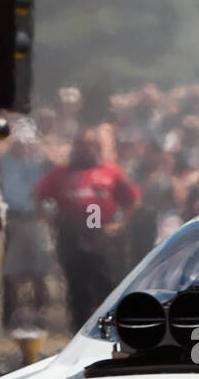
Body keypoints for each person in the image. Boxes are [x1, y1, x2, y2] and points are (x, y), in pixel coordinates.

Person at [34, 128, 141, 331]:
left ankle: (109, 329)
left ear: (96, 148)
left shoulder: (109, 171)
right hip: (72, 235)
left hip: (101, 234)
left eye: (89, 145)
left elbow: (132, 199)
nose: (84, 149)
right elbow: (40, 198)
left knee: (105, 283)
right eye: (80, 145)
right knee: (77, 285)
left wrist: (120, 223)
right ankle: (79, 332)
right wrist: (51, 220)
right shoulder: (62, 173)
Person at [0, 115, 55, 363]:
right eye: (19, 143)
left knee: (39, 271)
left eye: (27, 143)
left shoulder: (42, 161)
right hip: (13, 218)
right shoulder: (3, 161)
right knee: (12, 272)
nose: (23, 147)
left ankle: (41, 316)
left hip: (36, 218)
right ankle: (12, 316)